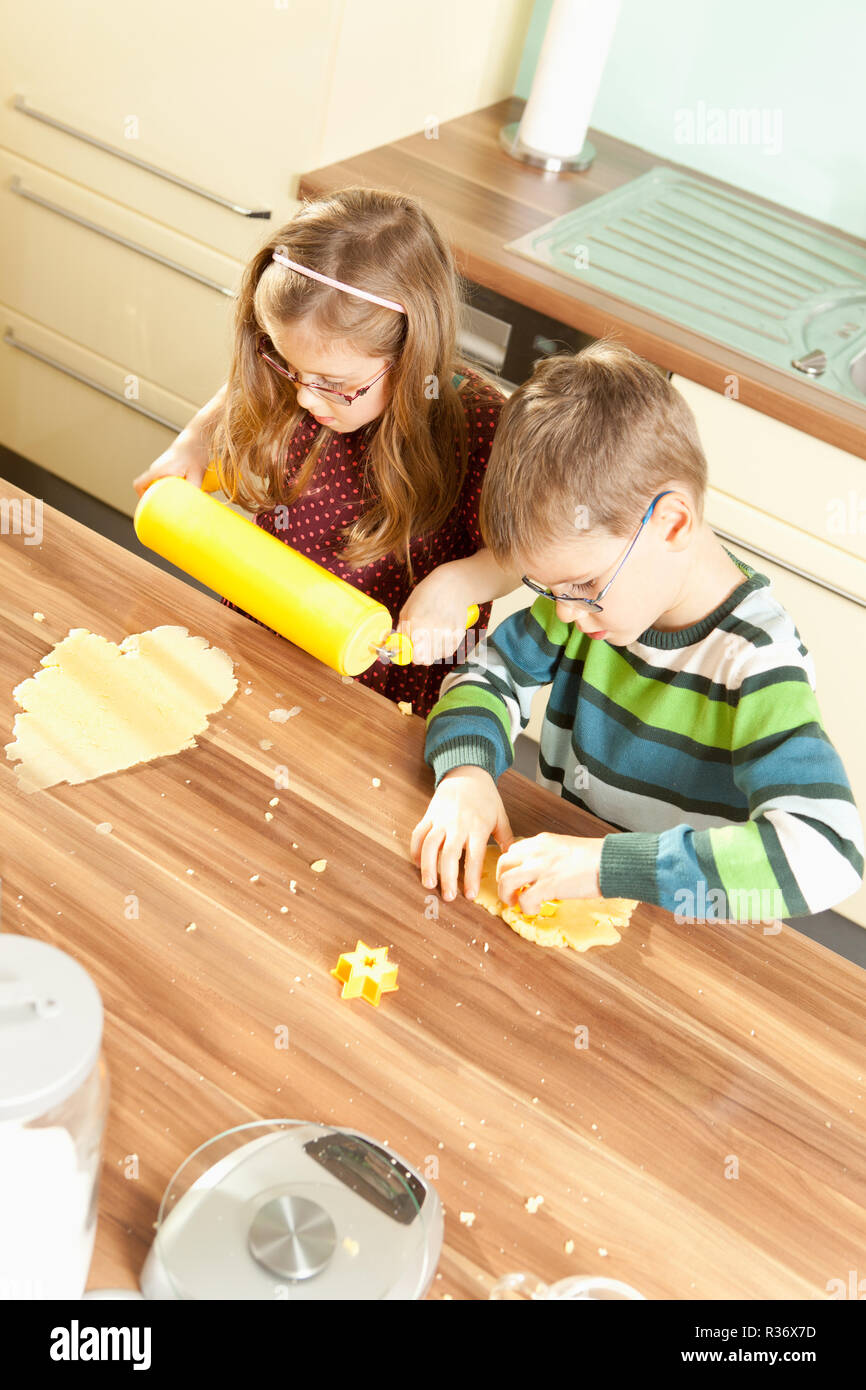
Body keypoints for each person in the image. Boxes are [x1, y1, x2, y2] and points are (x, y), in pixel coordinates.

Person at [412, 340, 864, 923]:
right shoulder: (583, 605)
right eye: (550, 589)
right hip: (569, 905)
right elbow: (484, 675)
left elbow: (825, 852)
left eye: (583, 584)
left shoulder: (754, 661)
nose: (566, 612)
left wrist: (604, 868)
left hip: (685, 935)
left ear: (672, 522)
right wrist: (466, 772)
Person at [134, 186, 519, 716]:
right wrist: (195, 440)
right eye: (289, 366)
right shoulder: (305, 379)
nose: (302, 395)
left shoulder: (481, 427)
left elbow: (516, 555)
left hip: (380, 683)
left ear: (411, 353)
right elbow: (240, 393)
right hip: (261, 623)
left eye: (332, 383)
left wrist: (460, 582)